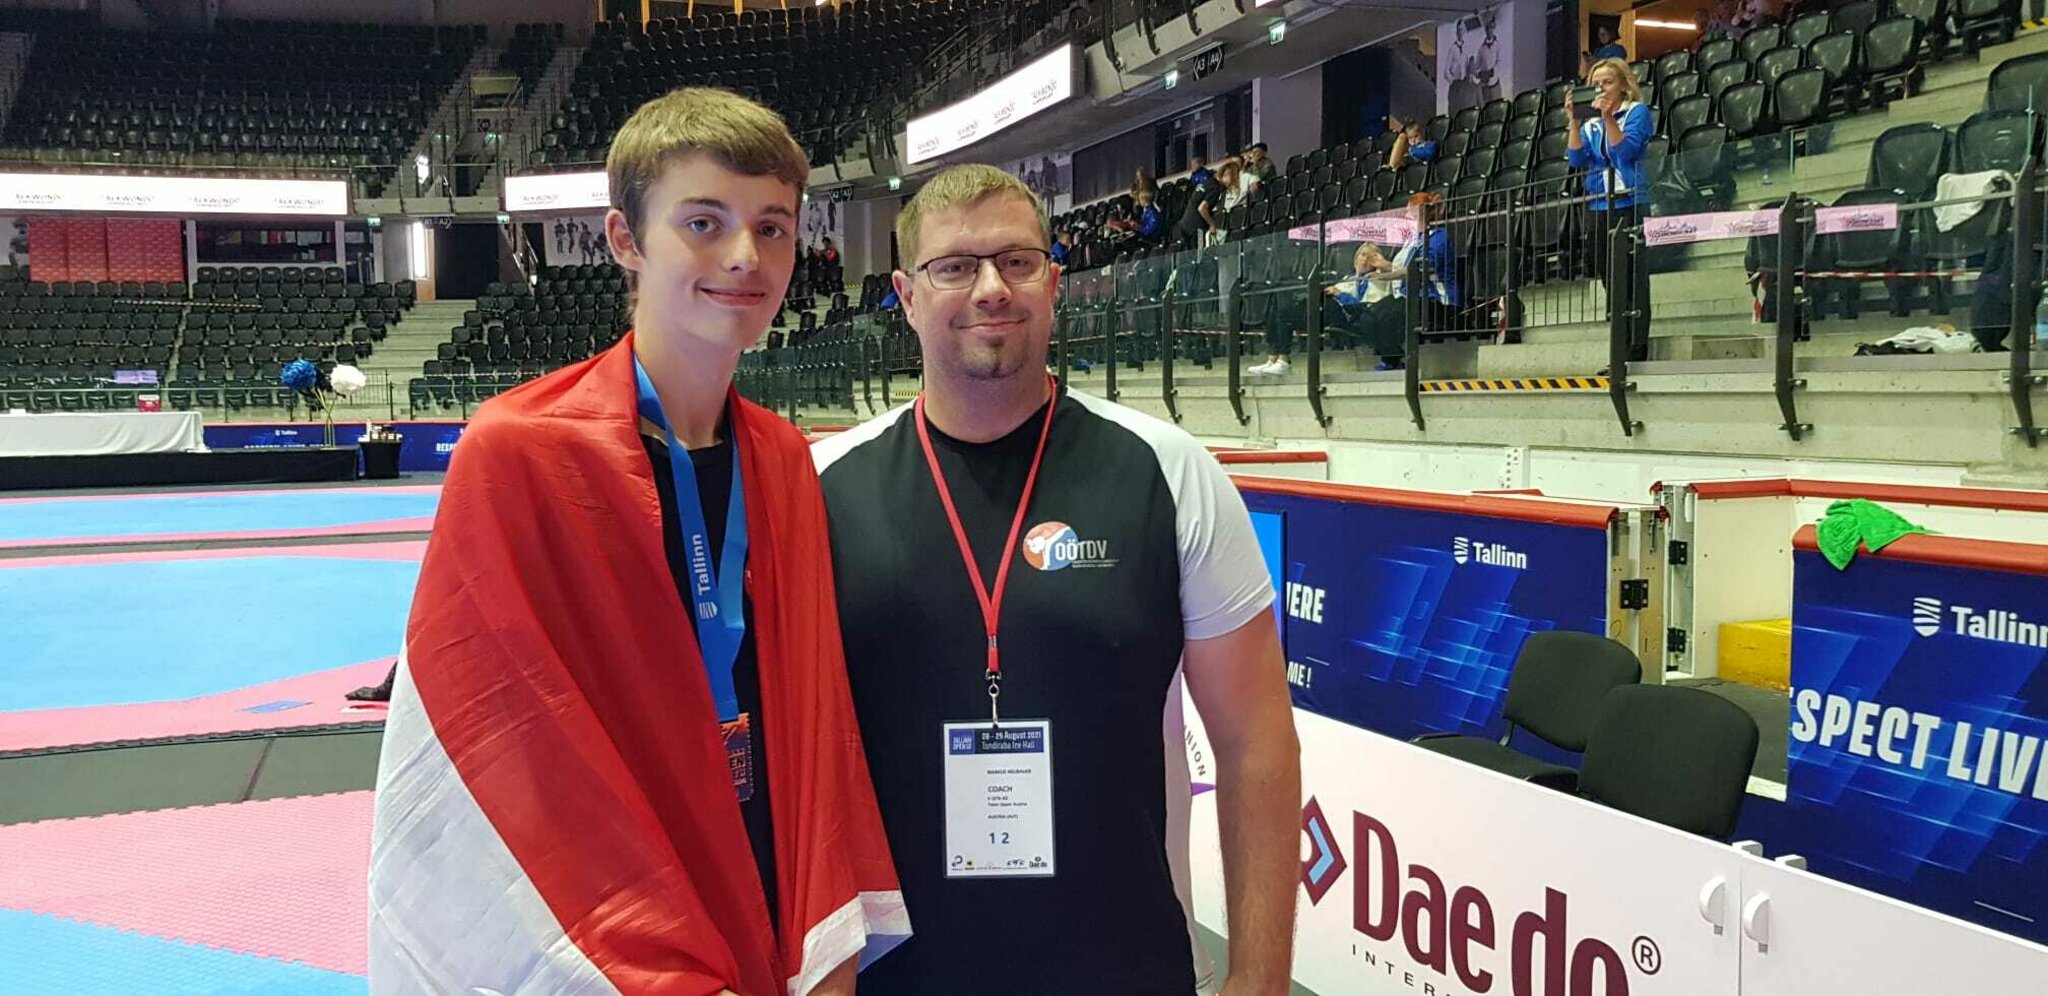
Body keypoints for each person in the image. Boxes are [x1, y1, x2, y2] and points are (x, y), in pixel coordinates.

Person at [368, 87, 906, 996]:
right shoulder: (518, 454)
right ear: (625, 240)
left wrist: (827, 943)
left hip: (774, 894)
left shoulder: (782, 462)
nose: (744, 257)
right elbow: (488, 744)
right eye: (704, 222)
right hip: (609, 922)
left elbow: (817, 725)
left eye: (773, 228)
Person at [811, 163, 1300, 995]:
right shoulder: (823, 488)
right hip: (897, 975)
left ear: (1055, 279)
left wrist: (1260, 983)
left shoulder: (1171, 472)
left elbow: (1256, 743)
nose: (992, 288)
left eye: (1018, 261)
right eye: (955, 266)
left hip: (1124, 967)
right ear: (904, 293)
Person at [1567, 58, 1655, 363]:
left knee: (1632, 275)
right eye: (1596, 83)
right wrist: (1574, 123)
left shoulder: (1636, 112)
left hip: (1629, 201)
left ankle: (1637, 344)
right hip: (1598, 203)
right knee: (1610, 276)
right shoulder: (1590, 122)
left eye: (1607, 82)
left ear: (1623, 84)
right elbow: (1577, 159)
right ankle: (1619, 342)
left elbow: (1625, 152)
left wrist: (1609, 119)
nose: (1600, 88)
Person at [1171, 164, 1227, 250]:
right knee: (1199, 257)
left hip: (1184, 224)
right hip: (1197, 226)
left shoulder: (1205, 183)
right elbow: (1202, 208)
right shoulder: (1215, 187)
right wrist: (1212, 224)